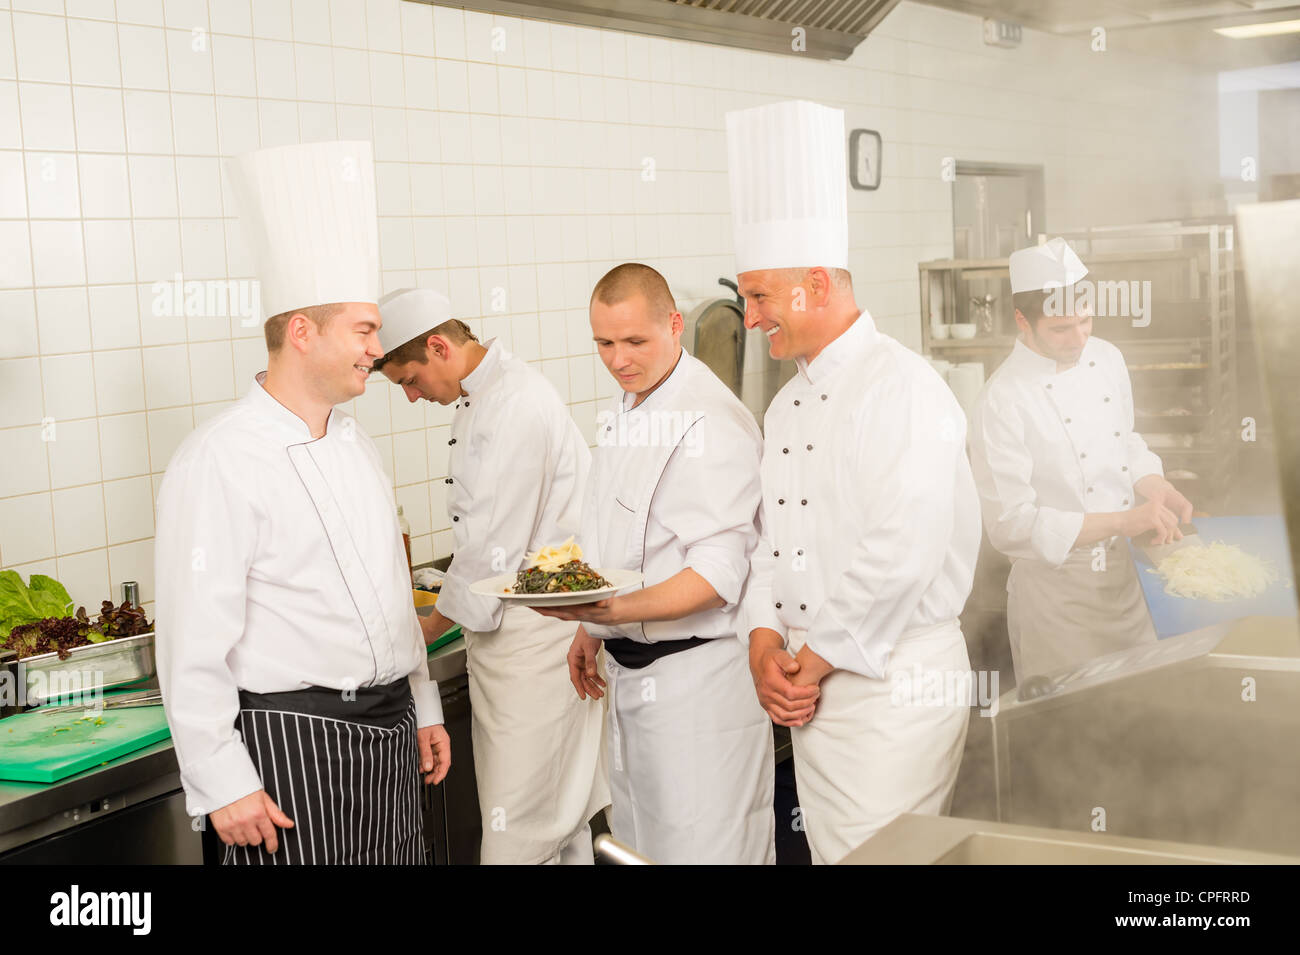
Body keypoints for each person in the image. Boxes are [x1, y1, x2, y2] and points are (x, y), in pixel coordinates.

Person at [154, 141, 449, 865]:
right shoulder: (218, 459)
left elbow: (388, 596)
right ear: (301, 331)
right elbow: (190, 640)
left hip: (389, 736)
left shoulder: (356, 445)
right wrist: (222, 779)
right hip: (290, 748)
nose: (377, 351)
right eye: (364, 330)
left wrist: (425, 702)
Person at [729, 100, 979, 865]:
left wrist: (819, 656)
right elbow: (770, 546)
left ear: (815, 282)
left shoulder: (903, 388)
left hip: (895, 694)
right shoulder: (786, 403)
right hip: (819, 691)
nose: (748, 319)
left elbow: (901, 548)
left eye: (761, 298)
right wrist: (764, 645)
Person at [535, 263, 775, 865]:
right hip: (631, 679)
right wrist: (595, 628)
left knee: (707, 851)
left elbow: (719, 574)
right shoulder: (630, 408)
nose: (618, 359)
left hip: (697, 687)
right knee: (638, 851)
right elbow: (620, 538)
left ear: (674, 325)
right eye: (604, 343)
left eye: (634, 342)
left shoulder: (709, 421)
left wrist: (608, 608)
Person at [373, 287, 607, 864]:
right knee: (554, 819)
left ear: (437, 346)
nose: (410, 396)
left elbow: (492, 551)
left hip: (537, 640)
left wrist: (426, 628)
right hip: (521, 637)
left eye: (409, 379)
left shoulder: (513, 404)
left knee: (521, 827)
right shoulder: (491, 396)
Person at [967, 238, 1192, 682]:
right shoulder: (1001, 400)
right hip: (1056, 602)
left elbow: (1124, 439)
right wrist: (1122, 521)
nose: (1079, 339)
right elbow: (1011, 525)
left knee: (1140, 711)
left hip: (1123, 587)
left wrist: (1152, 481)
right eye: (1061, 329)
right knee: (1067, 732)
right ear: (1022, 321)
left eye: (1085, 321)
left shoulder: (1107, 358)